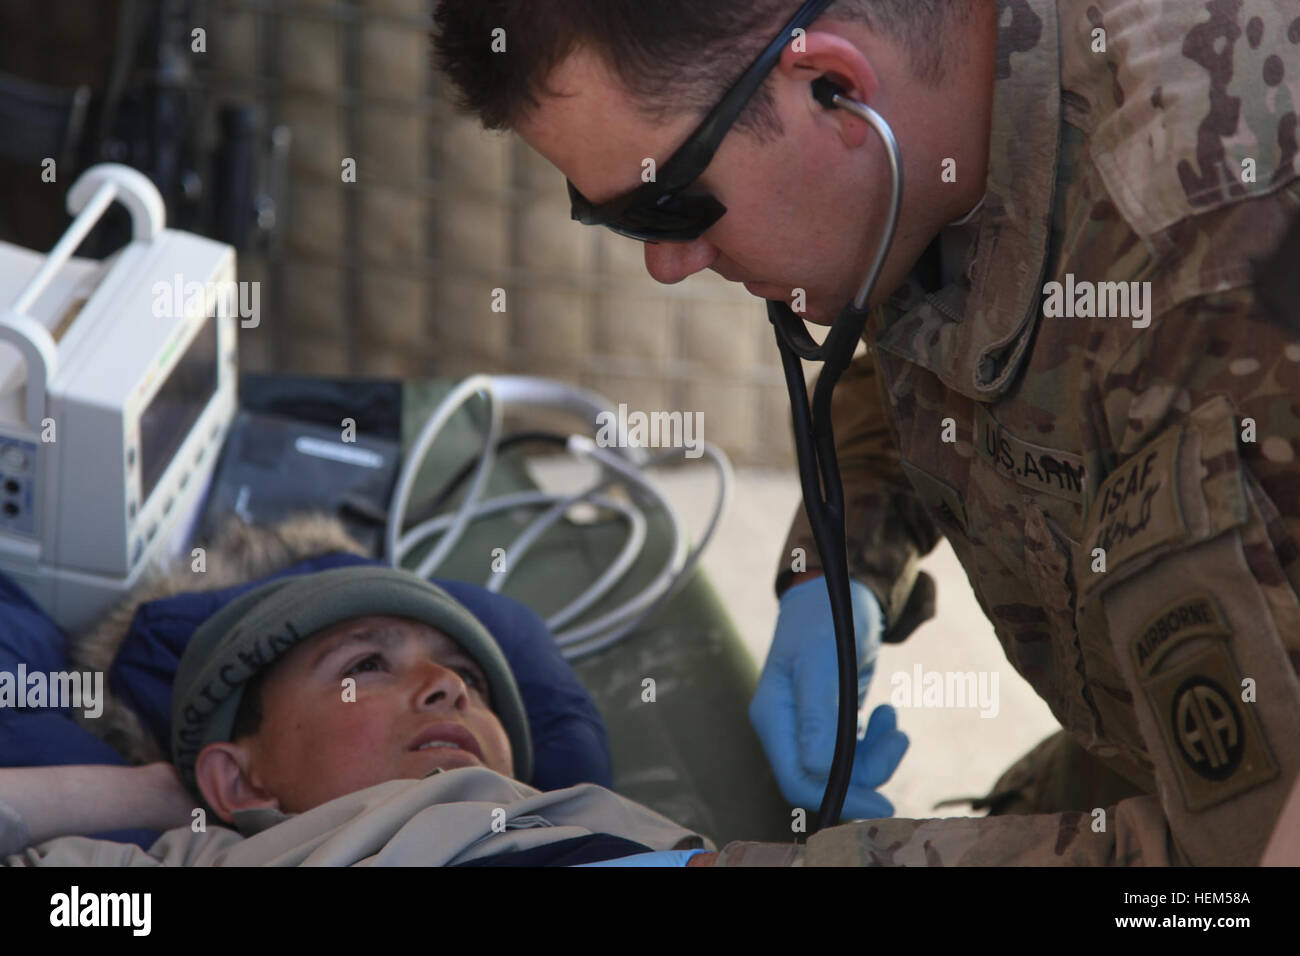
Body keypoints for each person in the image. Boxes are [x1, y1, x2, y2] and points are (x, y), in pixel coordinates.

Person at [431, 0, 1300, 864]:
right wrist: (842, 560)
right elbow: (929, 309)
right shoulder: (946, 113)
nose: (665, 265)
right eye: (604, 211)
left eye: (667, 207)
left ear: (832, 86)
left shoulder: (1223, 262)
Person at [0, 565, 716, 866]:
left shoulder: (593, 819)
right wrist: (150, 794)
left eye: (469, 676)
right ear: (244, 783)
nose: (446, 686)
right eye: (365, 666)